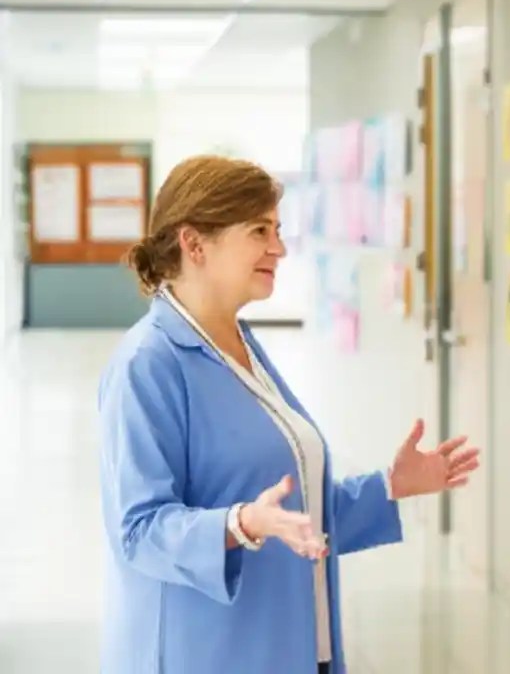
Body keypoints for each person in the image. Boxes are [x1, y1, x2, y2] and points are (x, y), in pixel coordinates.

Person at [98, 155, 480, 674]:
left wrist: (389, 486)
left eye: (277, 230)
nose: (278, 247)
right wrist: (238, 524)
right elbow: (139, 531)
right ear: (194, 243)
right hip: (207, 654)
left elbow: (290, 513)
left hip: (290, 643)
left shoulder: (241, 345)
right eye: (260, 231)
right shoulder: (149, 362)